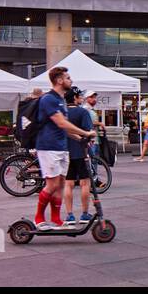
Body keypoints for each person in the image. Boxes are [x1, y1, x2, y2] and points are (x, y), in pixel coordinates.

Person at [33, 67, 97, 230]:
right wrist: (85, 132)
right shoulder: (49, 99)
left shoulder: (61, 101)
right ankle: (38, 218)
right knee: (52, 184)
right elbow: (61, 123)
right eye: (68, 78)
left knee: (61, 183)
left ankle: (56, 218)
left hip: (62, 146)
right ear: (59, 80)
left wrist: (80, 138)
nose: (71, 81)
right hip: (48, 147)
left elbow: (64, 129)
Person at [63, 88, 96, 225]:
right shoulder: (83, 112)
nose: (81, 98)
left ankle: (69, 215)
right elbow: (89, 132)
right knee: (84, 183)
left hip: (65, 152)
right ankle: (84, 214)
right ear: (75, 98)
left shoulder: (62, 113)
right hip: (81, 151)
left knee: (68, 183)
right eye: (80, 96)